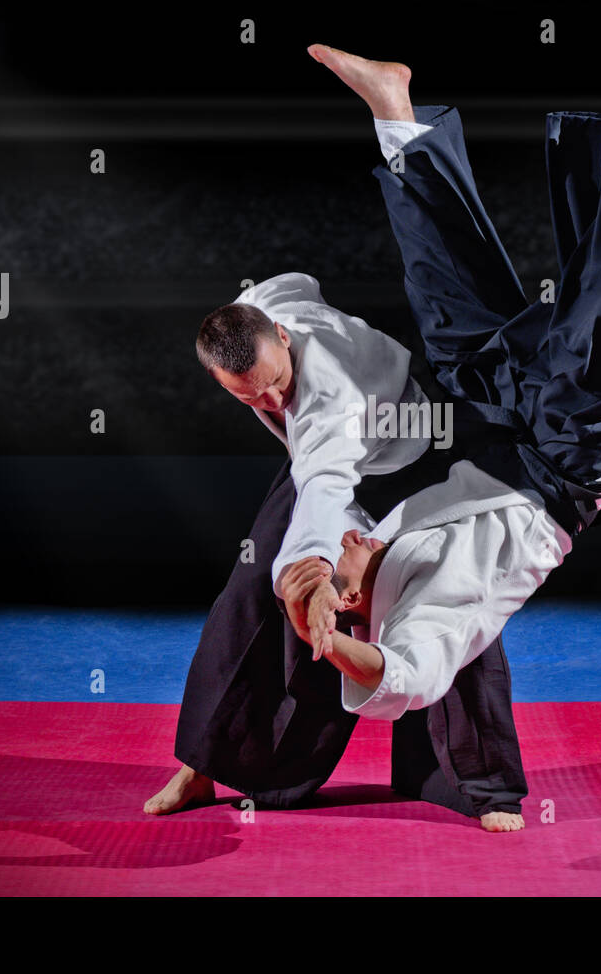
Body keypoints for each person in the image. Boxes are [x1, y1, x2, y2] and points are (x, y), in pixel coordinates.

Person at [280, 45, 601, 717]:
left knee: (453, 316)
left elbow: (328, 508)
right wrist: (331, 642)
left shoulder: (379, 541)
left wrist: (307, 582)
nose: (350, 541)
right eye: (344, 569)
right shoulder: (423, 611)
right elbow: (407, 680)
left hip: (510, 424)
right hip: (576, 456)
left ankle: (395, 114)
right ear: (353, 602)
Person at [144, 274, 527, 831]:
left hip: (414, 466)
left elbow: (325, 487)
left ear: (283, 337)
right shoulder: (265, 306)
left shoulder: (331, 397)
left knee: (451, 600)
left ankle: (486, 787)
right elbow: (300, 282)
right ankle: (204, 766)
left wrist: (314, 571)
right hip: (323, 466)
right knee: (248, 595)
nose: (272, 402)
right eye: (249, 395)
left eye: (277, 383)